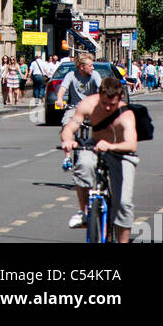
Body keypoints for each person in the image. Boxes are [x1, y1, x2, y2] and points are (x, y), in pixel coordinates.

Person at [61, 76, 139, 242]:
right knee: (83, 163)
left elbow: (131, 145)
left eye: (113, 104)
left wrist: (111, 147)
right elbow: (70, 127)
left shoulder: (126, 114)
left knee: (123, 204)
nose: (108, 107)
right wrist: (68, 139)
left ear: (120, 98)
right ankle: (84, 212)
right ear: (99, 95)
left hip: (121, 151)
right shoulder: (88, 105)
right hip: (95, 145)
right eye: (104, 103)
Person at [58, 52, 101, 126]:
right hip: (75, 108)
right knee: (66, 126)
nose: (93, 68)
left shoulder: (95, 75)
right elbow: (62, 88)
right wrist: (59, 99)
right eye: (90, 66)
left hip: (92, 109)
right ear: (82, 67)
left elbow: (101, 88)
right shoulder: (71, 75)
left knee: (103, 127)